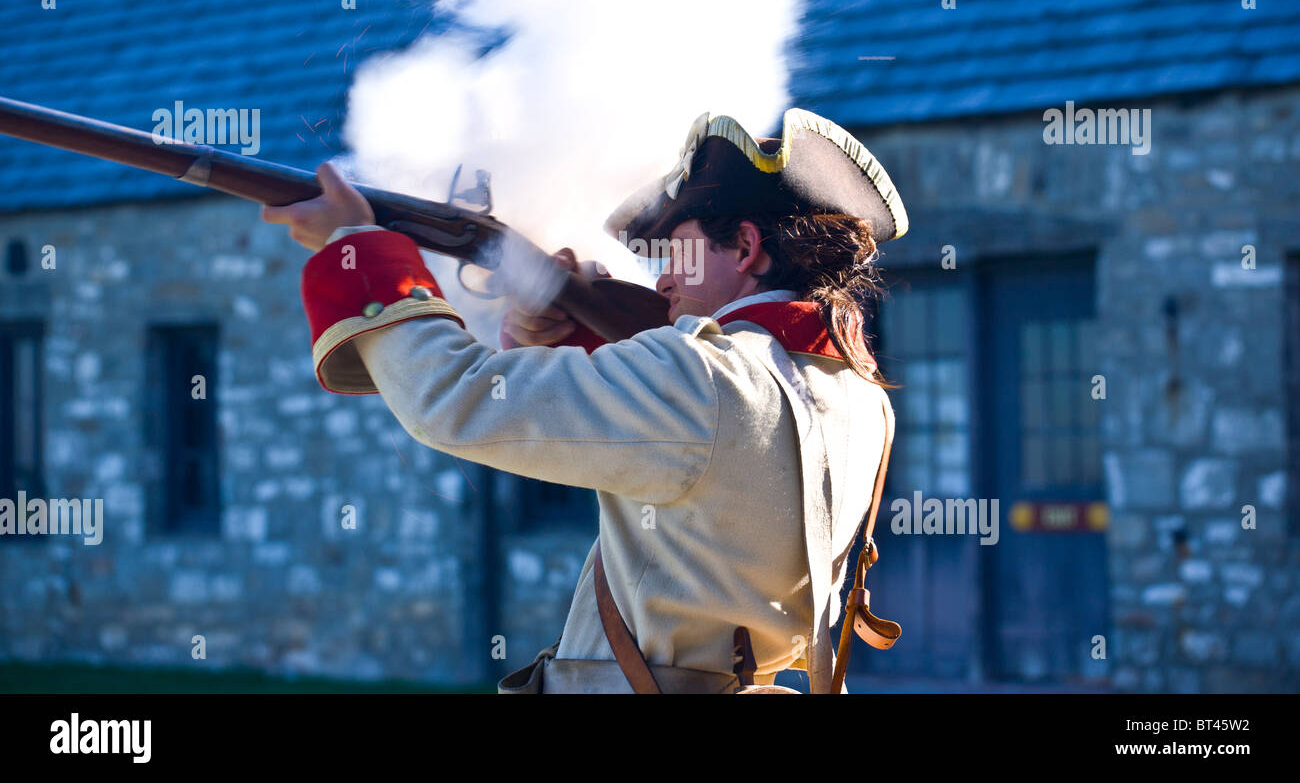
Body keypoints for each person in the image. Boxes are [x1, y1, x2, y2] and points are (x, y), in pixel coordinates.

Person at [259, 107, 909, 693]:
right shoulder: (856, 394)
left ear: (744, 247)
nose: (661, 278)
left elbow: (452, 400)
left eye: (677, 251)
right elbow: (701, 452)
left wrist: (357, 250)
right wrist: (563, 331)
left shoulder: (697, 378)